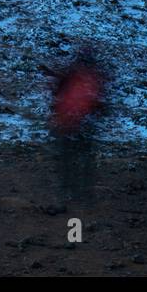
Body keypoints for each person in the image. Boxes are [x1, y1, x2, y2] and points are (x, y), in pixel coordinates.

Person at [50, 46, 105, 204]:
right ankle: (81, 193)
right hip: (81, 124)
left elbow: (56, 94)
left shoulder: (71, 75)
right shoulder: (94, 78)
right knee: (82, 160)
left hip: (70, 123)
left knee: (70, 160)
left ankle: (69, 192)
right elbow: (101, 101)